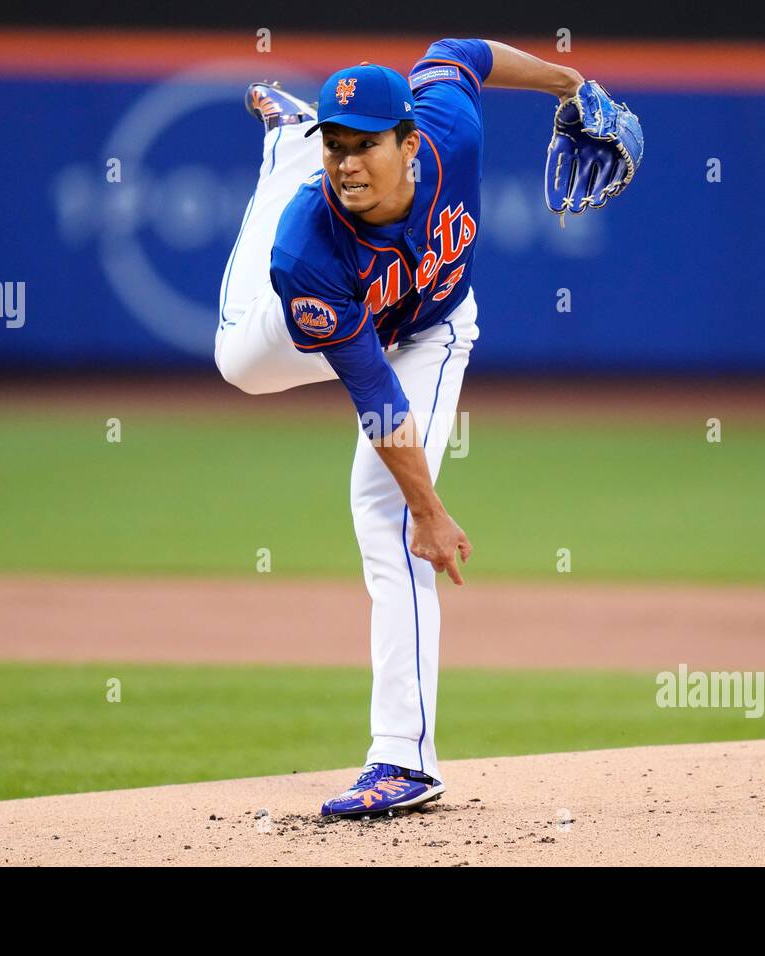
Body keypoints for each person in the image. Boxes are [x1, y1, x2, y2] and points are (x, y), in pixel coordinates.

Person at [216, 38, 586, 818]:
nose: (347, 162)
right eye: (334, 144)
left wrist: (570, 82)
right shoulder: (307, 252)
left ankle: (403, 761)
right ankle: (285, 144)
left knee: (380, 513)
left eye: (363, 145)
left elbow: (460, 53)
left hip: (433, 329)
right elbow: (374, 395)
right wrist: (432, 507)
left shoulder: (451, 129)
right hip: (352, 330)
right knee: (236, 363)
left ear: (409, 142)